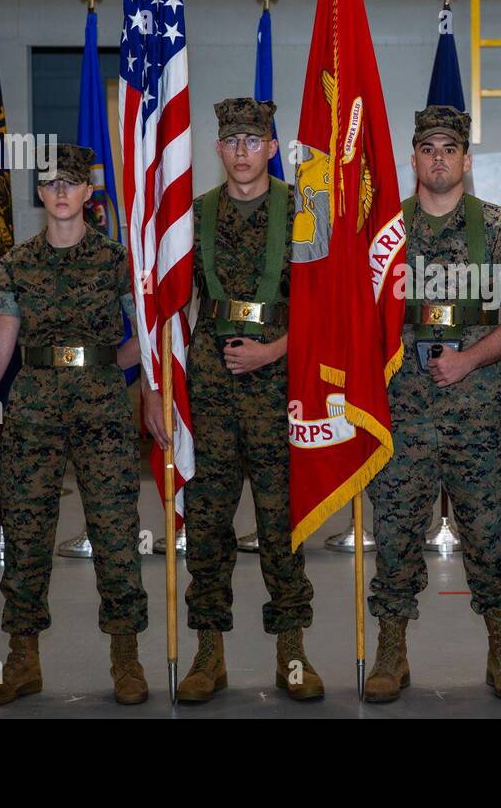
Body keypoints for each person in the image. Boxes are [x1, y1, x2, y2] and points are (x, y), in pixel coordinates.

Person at [0, 142, 148, 707]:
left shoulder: (115, 260)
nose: (61, 192)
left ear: (88, 193)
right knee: (27, 534)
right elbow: (0, 341)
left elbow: (147, 336)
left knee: (114, 533)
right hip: (33, 408)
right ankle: (23, 658)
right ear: (40, 192)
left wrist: (122, 370)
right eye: (51, 183)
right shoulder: (16, 263)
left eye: (71, 183)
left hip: (103, 407)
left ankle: (126, 657)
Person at [143, 97, 321, 703]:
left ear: (273, 148)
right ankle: (208, 654)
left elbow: (326, 308)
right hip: (211, 396)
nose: (243, 151)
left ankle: (292, 654)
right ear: (217, 150)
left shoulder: (302, 215)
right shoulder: (192, 219)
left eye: (255, 140)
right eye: (232, 141)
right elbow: (164, 311)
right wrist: (156, 388)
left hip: (279, 387)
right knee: (211, 527)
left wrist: (274, 353)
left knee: (281, 528)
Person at [363, 105, 501, 703]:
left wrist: (469, 359)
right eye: (428, 148)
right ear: (413, 159)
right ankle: (391, 651)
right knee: (396, 534)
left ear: (466, 160)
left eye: (449, 148)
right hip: (402, 414)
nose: (439, 157)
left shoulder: (500, 228)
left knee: (489, 533)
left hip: (478, 412)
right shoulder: (385, 234)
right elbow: (357, 321)